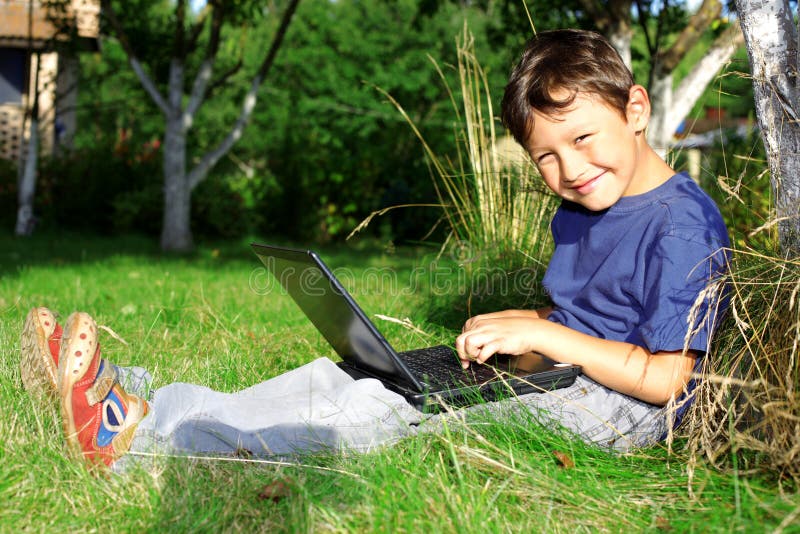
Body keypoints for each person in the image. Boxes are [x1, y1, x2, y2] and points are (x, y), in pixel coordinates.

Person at [19, 29, 729, 471]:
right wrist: (529, 324)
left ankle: (138, 444)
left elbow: (670, 378)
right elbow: (593, 312)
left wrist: (544, 334)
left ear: (635, 110)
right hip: (563, 372)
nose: (569, 170)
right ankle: (153, 401)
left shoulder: (680, 224)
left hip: (621, 410)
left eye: (582, 139)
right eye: (545, 156)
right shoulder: (582, 206)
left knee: (387, 421)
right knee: (349, 380)